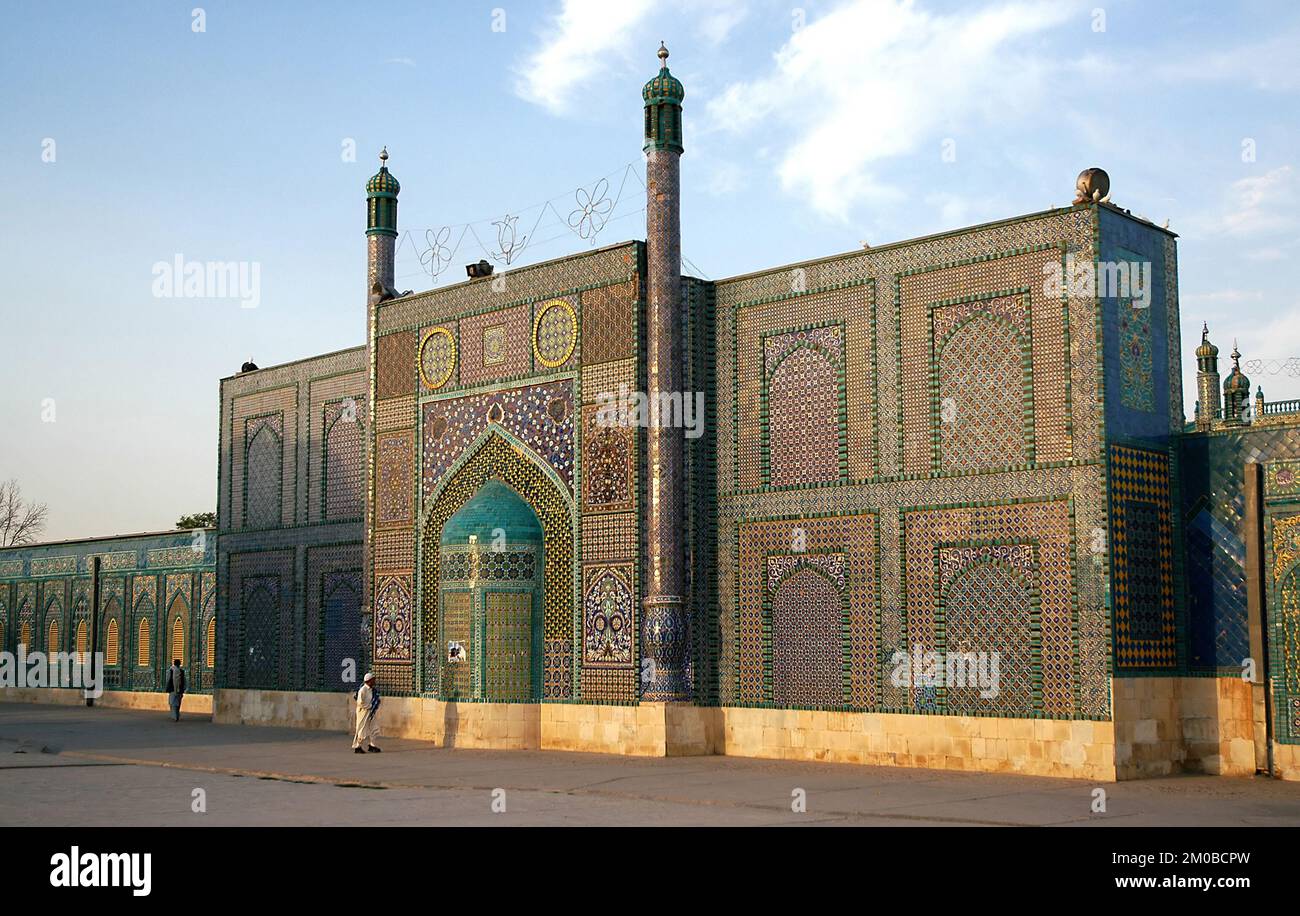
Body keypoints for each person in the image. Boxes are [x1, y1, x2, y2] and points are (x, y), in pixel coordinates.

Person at [352, 672, 381, 753]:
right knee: (361, 729)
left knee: (374, 728)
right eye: (373, 680)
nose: (374, 682)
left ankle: (372, 745)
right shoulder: (363, 690)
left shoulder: (372, 690)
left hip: (371, 712)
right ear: (369, 681)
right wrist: (369, 706)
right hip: (363, 712)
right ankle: (358, 746)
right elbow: (360, 703)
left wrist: (372, 707)